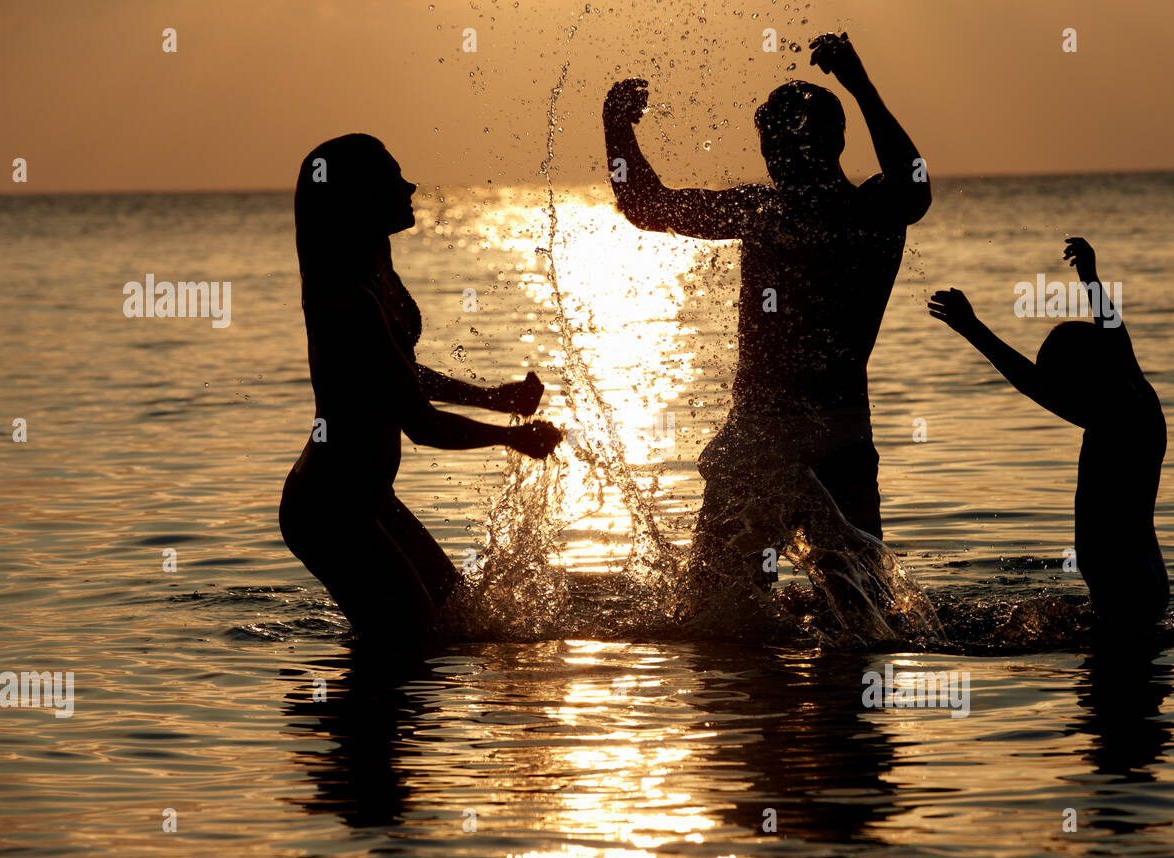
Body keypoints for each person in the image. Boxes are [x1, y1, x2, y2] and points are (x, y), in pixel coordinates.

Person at [602, 31, 930, 599]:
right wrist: (859, 84)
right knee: (862, 611)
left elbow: (645, 205)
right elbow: (915, 184)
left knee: (724, 612)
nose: (773, 156)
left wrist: (616, 126)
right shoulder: (868, 211)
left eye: (776, 144)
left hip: (764, 435)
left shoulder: (776, 211)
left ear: (813, 146)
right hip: (838, 431)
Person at [280, 133, 561, 639]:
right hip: (329, 508)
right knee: (413, 644)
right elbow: (420, 424)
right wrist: (510, 438)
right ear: (359, 196)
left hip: (368, 498)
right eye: (392, 178)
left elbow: (394, 377)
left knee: (455, 618)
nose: (409, 185)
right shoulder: (349, 300)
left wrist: (493, 398)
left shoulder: (374, 266)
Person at [928, 237, 1169, 632]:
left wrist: (971, 327)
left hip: (1127, 588)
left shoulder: (1119, 417)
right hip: (1141, 583)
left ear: (1086, 376)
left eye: (1063, 385)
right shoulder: (1137, 399)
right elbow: (1114, 334)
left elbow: (1029, 382)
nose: (1061, 399)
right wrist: (1090, 278)